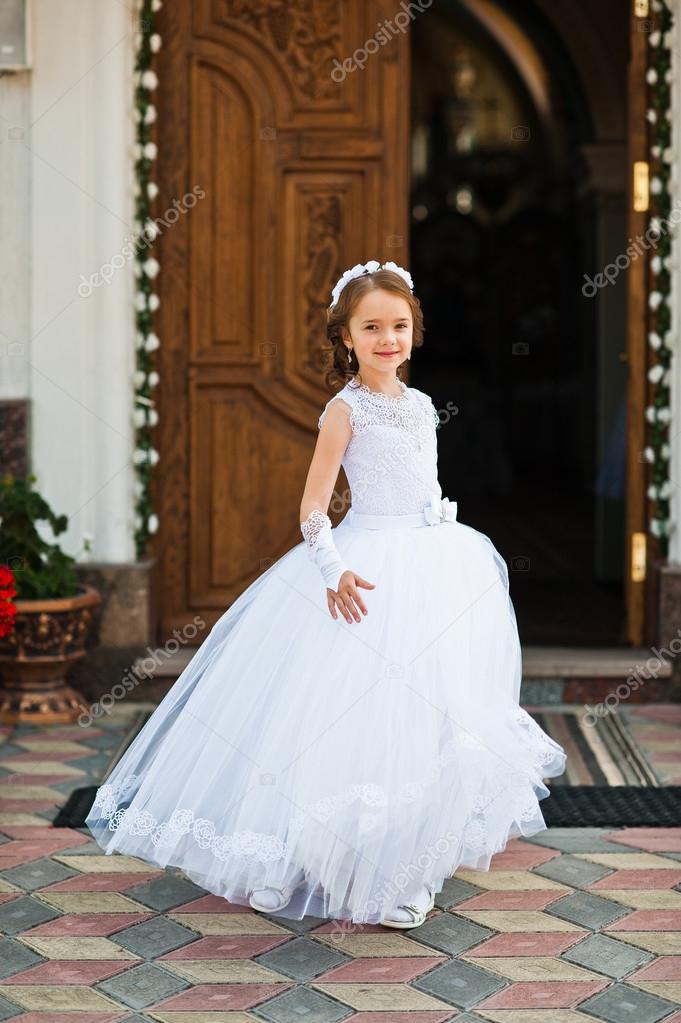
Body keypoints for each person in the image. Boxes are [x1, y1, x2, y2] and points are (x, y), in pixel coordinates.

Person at [86, 259, 566, 929]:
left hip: (433, 567)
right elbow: (313, 506)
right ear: (345, 336)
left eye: (398, 326)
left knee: (422, 717)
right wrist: (333, 568)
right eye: (371, 328)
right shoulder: (344, 410)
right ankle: (284, 857)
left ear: (414, 331)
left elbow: (423, 485)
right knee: (325, 719)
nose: (387, 339)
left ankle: (405, 869)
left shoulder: (421, 405)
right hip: (363, 566)